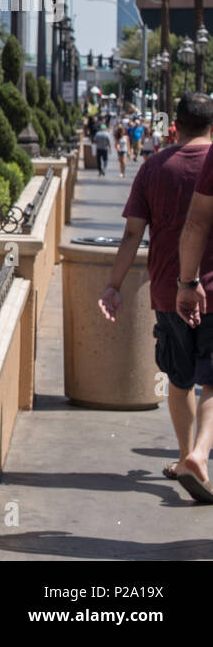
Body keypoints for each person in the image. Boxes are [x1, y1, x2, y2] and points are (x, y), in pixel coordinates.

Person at [104, 92, 213, 501]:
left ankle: (188, 456)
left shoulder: (153, 167)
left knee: (180, 381)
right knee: (212, 382)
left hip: (170, 289)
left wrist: (114, 285)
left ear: (175, 125)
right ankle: (198, 457)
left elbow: (132, 233)